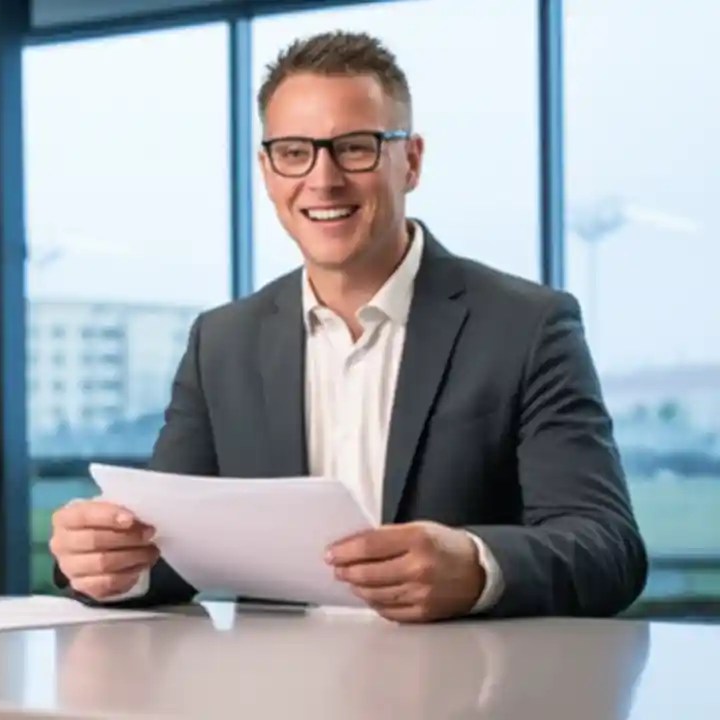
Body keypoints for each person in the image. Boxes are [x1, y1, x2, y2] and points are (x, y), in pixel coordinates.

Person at [49, 30, 647, 622]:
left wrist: (475, 566)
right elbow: (174, 550)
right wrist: (106, 561)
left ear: (410, 161)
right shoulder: (223, 343)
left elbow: (608, 547)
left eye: (355, 147)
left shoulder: (526, 326)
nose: (323, 178)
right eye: (293, 152)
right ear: (266, 170)